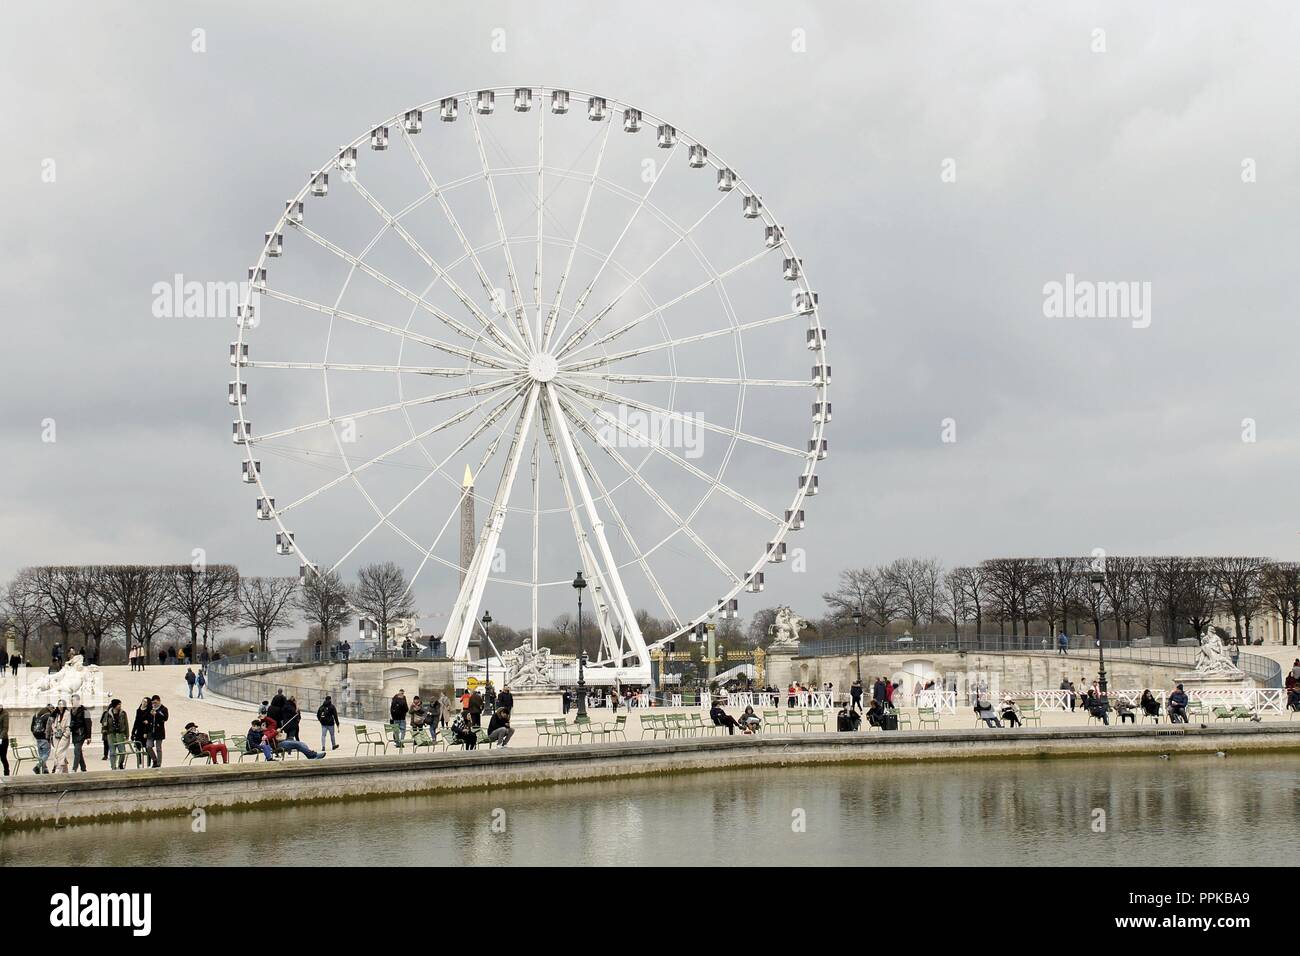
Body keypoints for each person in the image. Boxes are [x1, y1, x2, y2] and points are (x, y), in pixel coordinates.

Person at [105, 699, 130, 769]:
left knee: (122, 751)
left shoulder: (123, 713)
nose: (120, 706)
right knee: (112, 752)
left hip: (120, 734)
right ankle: (113, 766)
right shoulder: (107, 714)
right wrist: (105, 734)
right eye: (119, 704)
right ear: (115, 705)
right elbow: (104, 725)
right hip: (111, 734)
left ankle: (120, 764)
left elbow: (126, 724)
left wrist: (127, 735)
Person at [30, 702, 54, 773]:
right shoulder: (48, 716)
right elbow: (50, 728)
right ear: (50, 709)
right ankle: (37, 766)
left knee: (41, 755)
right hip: (44, 738)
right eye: (53, 709)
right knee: (46, 754)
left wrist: (36, 734)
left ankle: (45, 770)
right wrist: (50, 736)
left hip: (37, 738)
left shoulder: (36, 715)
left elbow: (32, 728)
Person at [69, 694, 91, 771]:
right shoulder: (72, 710)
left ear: (78, 701)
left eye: (73, 700)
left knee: (76, 750)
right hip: (75, 734)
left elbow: (88, 724)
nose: (71, 702)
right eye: (71, 700)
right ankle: (83, 768)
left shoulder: (85, 710)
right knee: (78, 751)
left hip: (81, 733)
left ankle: (74, 768)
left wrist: (89, 737)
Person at [50, 700, 71, 773]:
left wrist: (66, 734)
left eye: (61, 704)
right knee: (56, 752)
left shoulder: (68, 714)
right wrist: (54, 730)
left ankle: (59, 768)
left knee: (60, 752)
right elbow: (52, 723)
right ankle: (65, 770)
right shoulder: (56, 714)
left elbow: (68, 725)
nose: (60, 706)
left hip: (64, 736)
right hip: (56, 735)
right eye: (59, 704)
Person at [132, 697, 155, 766]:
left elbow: (148, 723)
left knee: (147, 747)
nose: (144, 703)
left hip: (146, 731)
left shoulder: (149, 711)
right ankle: (139, 762)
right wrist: (133, 732)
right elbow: (136, 721)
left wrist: (145, 732)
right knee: (137, 746)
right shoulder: (138, 710)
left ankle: (149, 763)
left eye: (146, 702)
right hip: (139, 730)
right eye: (143, 701)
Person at [149, 695, 169, 766]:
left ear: (159, 701)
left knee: (158, 748)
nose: (154, 704)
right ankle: (154, 759)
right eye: (153, 702)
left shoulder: (163, 709)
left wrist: (156, 714)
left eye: (155, 702)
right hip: (151, 731)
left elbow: (165, 718)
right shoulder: (150, 708)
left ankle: (158, 763)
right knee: (148, 746)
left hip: (159, 731)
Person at [0, 703, 9, 775]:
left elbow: (5, 728)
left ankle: (6, 772)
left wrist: (0, 738)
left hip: (3, 740)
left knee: (3, 757)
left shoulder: (5, 714)